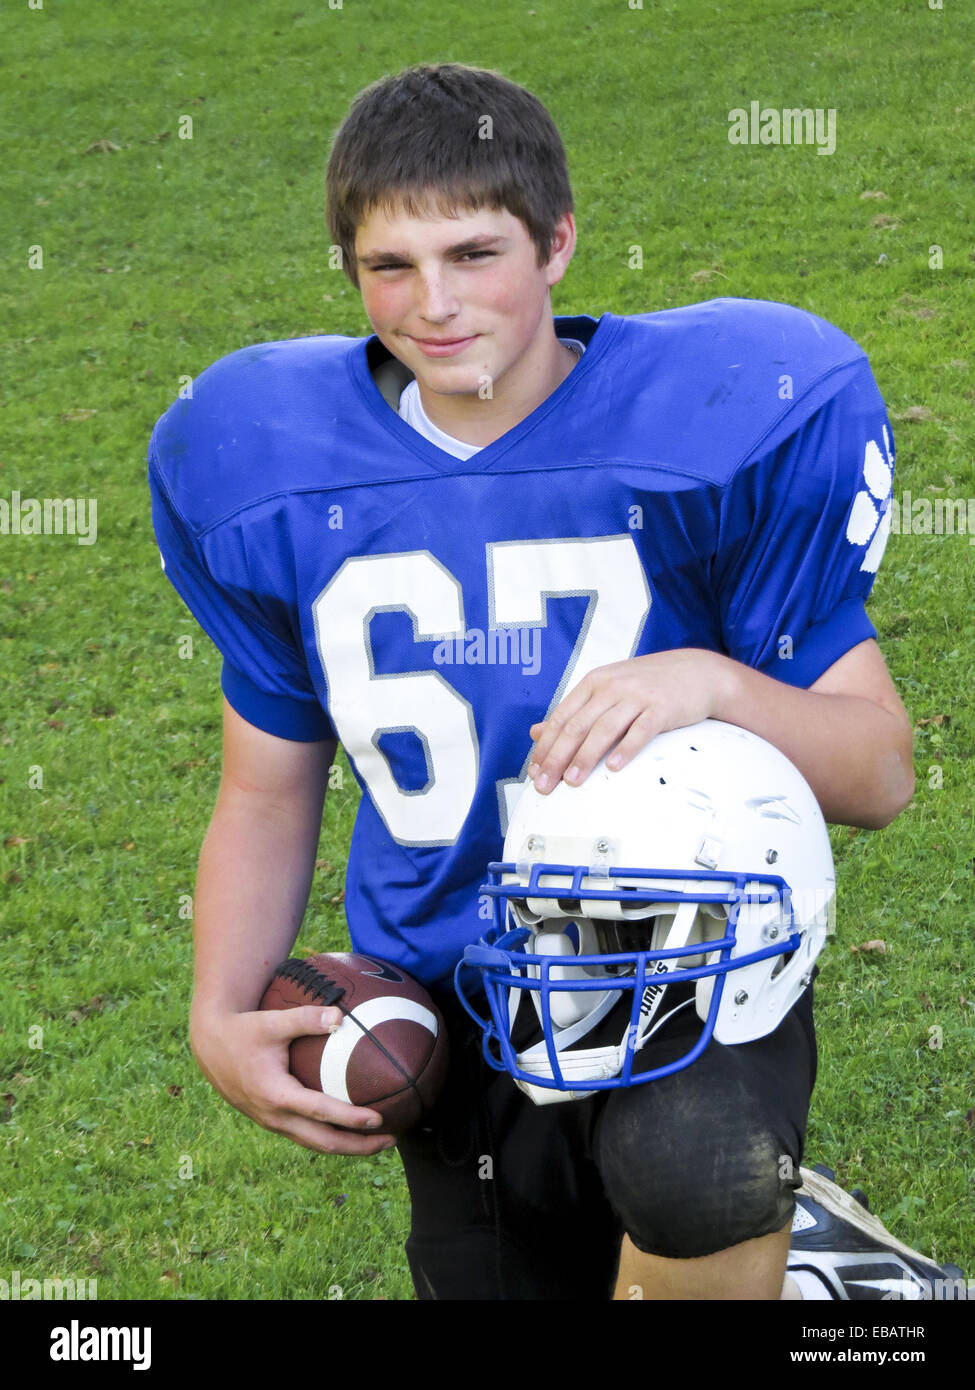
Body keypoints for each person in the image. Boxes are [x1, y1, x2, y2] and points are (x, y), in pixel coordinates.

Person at [148, 62, 957, 1300]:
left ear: (560, 242)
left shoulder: (722, 420)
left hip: (679, 952)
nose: (434, 304)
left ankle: (771, 1253)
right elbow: (265, 790)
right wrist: (216, 1013)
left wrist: (716, 682)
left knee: (698, 1171)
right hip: (455, 978)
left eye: (475, 253)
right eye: (389, 267)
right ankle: (813, 1277)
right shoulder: (267, 466)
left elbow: (881, 769)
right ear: (347, 271)